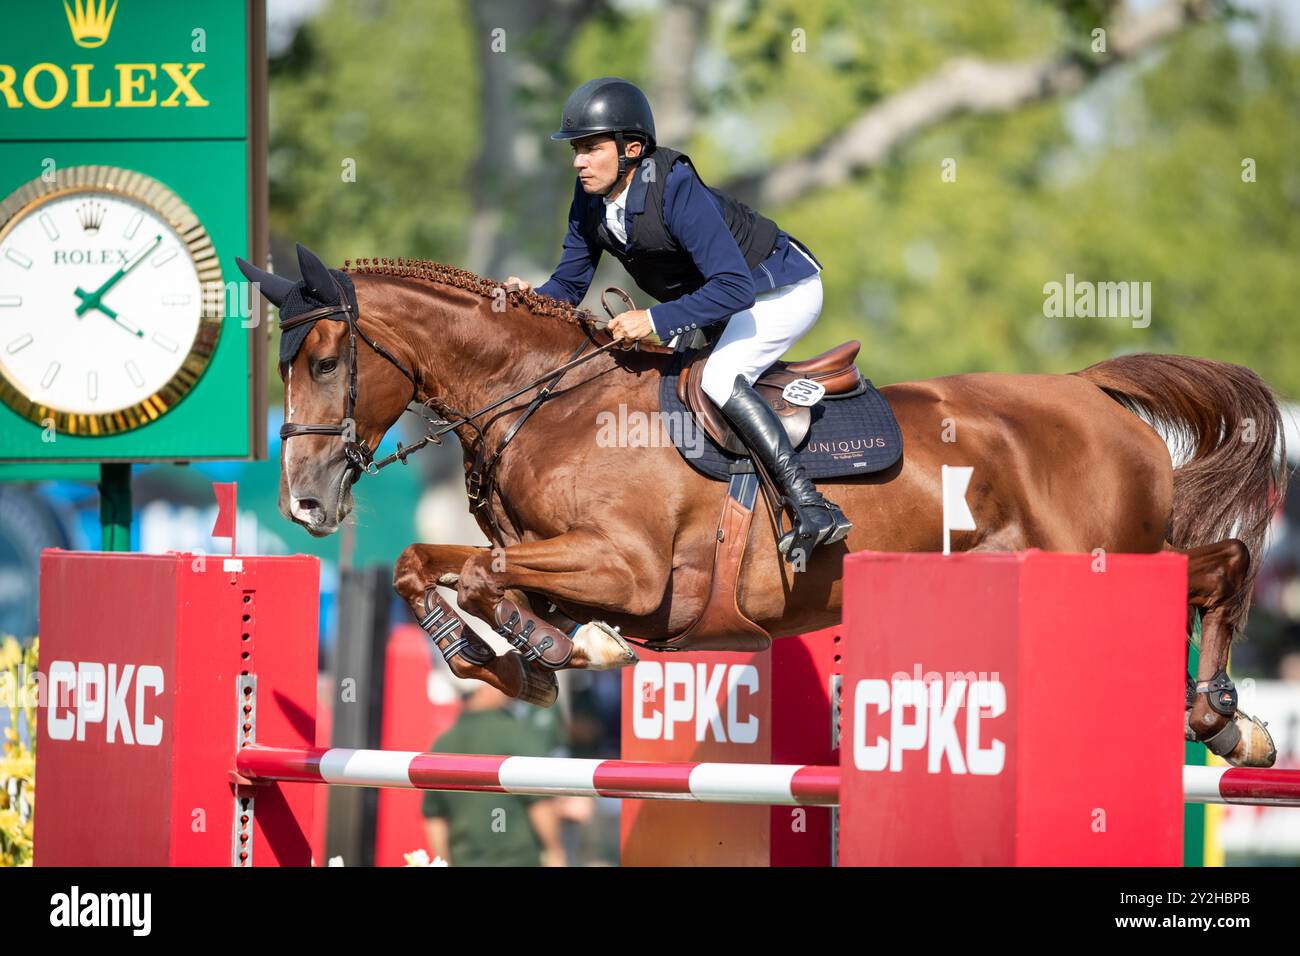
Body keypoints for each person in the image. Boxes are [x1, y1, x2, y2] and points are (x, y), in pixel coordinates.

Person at [507, 76, 852, 560]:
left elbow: (734, 287)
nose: (578, 161)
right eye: (574, 150)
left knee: (720, 378)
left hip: (779, 288)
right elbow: (566, 287)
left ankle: (812, 506)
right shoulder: (589, 198)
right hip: (720, 301)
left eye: (589, 148)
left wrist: (654, 320)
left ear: (631, 148)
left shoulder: (674, 186)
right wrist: (526, 302)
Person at [422, 682, 566, 866]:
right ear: (485, 688)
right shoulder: (518, 734)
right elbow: (540, 804)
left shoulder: (442, 743)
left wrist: (445, 862)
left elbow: (434, 816)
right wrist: (554, 851)